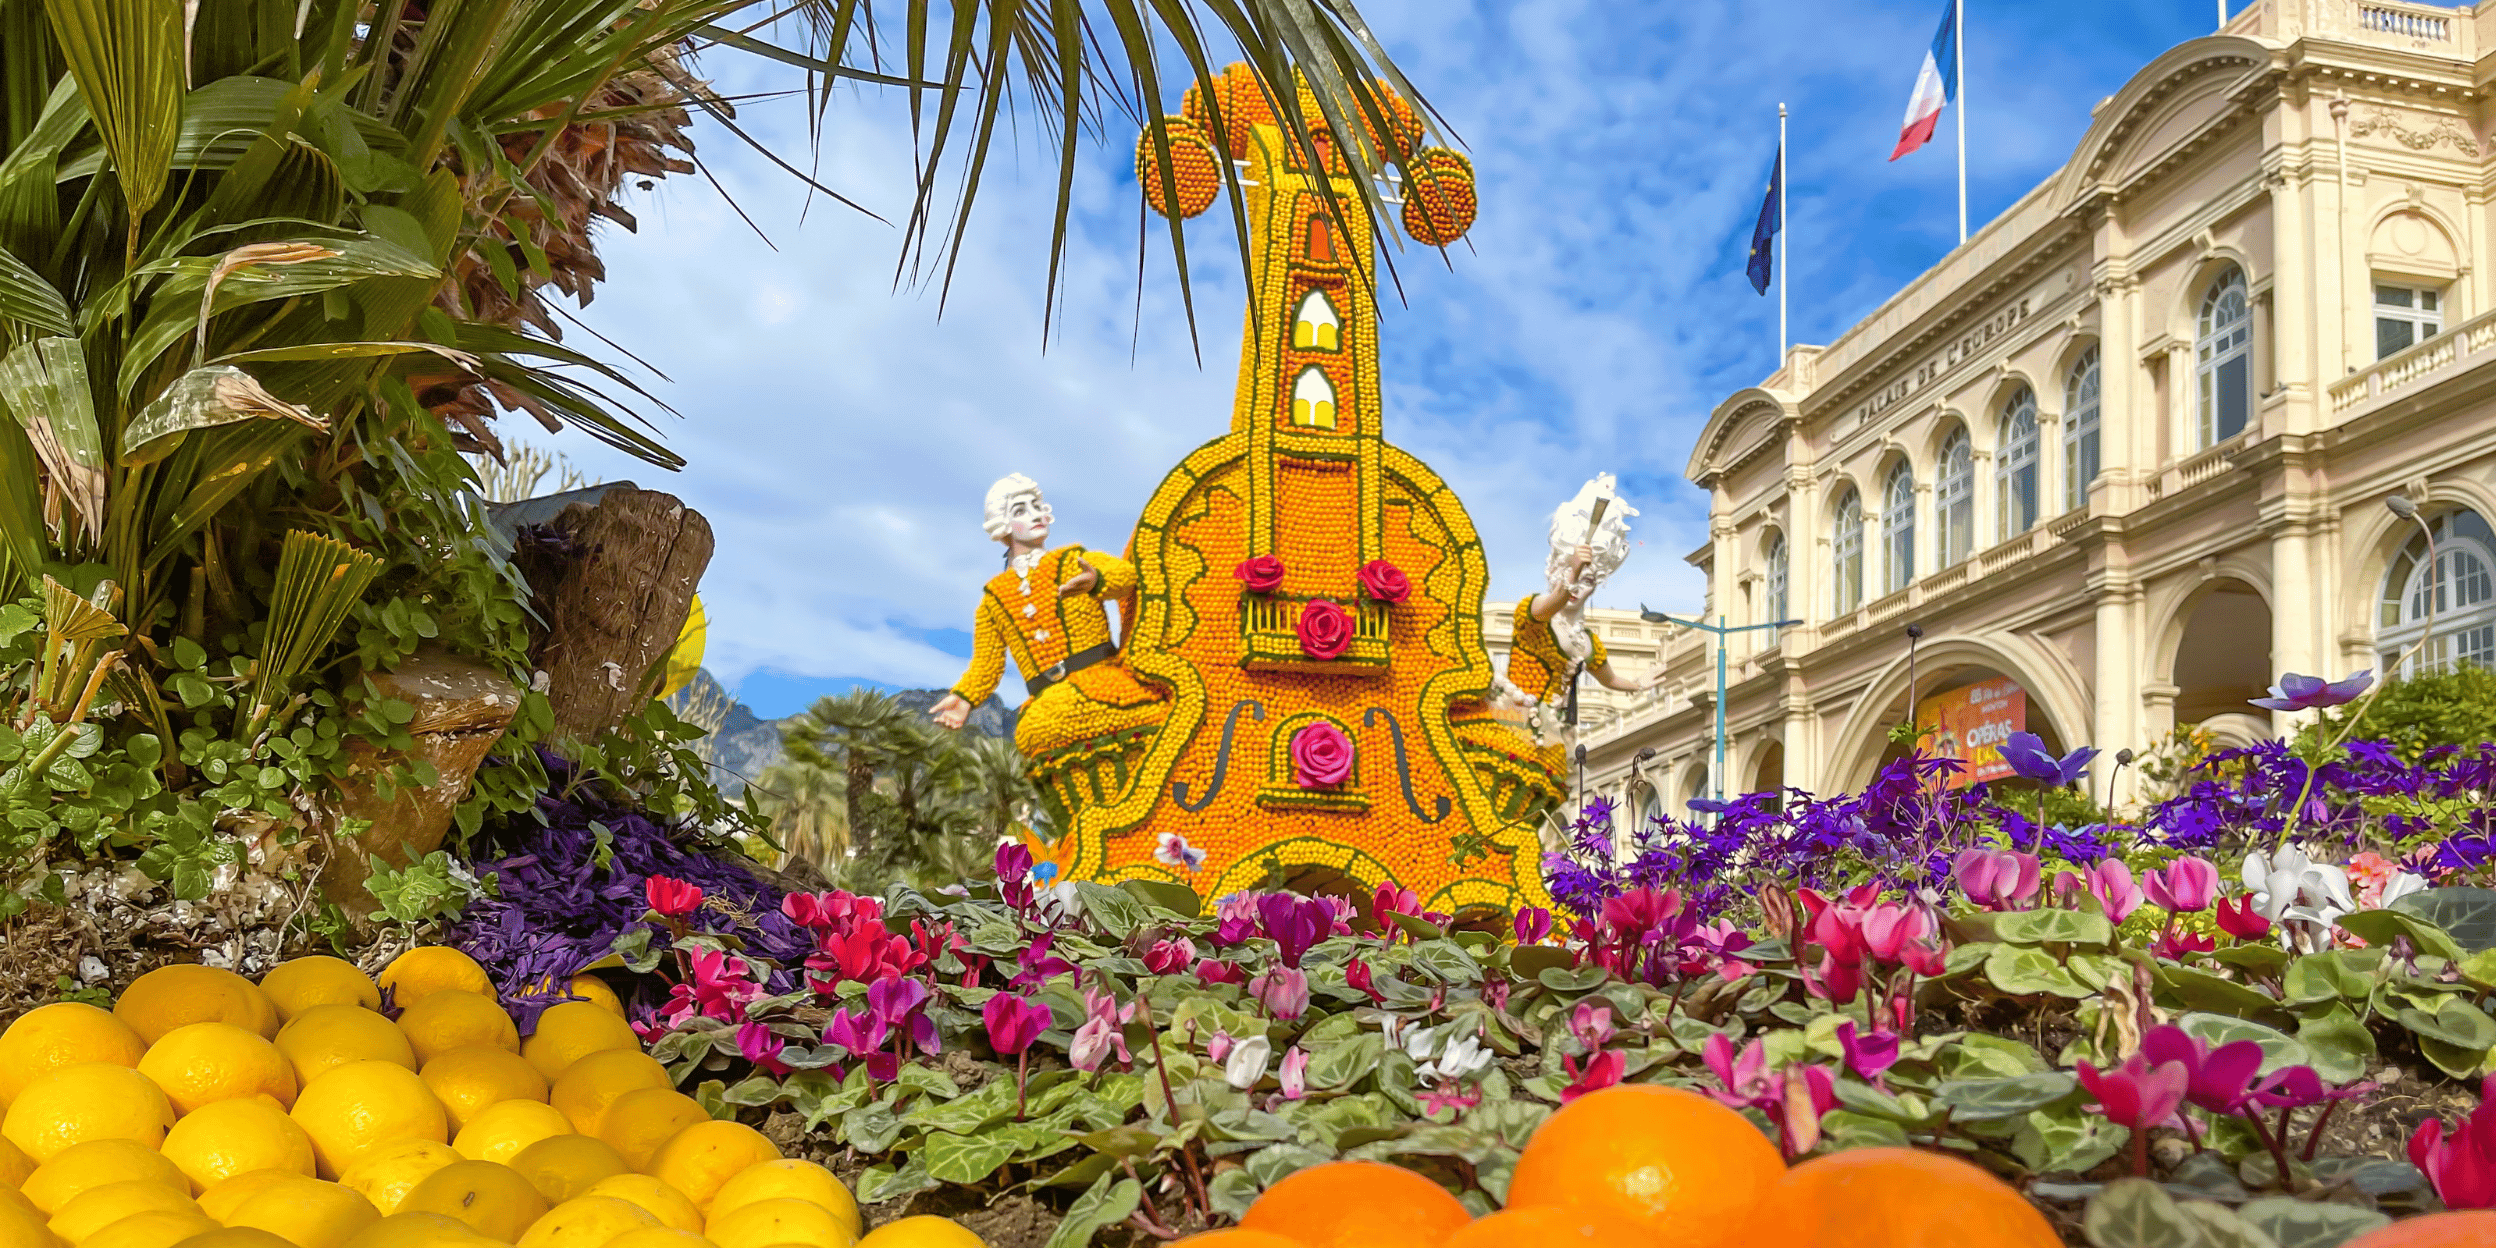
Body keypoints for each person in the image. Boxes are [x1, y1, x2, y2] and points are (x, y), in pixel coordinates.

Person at [930, 475, 1167, 764]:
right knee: (1036, 733)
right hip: (1045, 705)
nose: (1035, 515)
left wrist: (1096, 580)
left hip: (1105, 683)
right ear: (1003, 526)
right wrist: (964, 698)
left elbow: (1125, 576)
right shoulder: (994, 599)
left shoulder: (1074, 560)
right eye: (1020, 510)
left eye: (1037, 506)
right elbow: (986, 665)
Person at [1503, 474, 1663, 722]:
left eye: (1587, 582)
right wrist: (1574, 570)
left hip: (1551, 730)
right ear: (1553, 571)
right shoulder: (1533, 608)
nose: (1577, 586)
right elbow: (1552, 604)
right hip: (1513, 719)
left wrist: (1637, 685)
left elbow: (1609, 679)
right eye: (1568, 572)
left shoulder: (1588, 643)